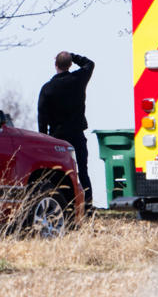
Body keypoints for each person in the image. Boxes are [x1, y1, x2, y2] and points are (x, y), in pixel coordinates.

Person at [37, 51, 95, 210]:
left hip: (58, 138)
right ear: (70, 65)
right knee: (83, 171)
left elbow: (42, 119)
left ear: (55, 65)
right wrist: (73, 56)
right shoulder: (78, 80)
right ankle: (88, 206)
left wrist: (44, 140)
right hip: (77, 135)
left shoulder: (47, 89)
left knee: (57, 173)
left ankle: (63, 204)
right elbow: (89, 63)